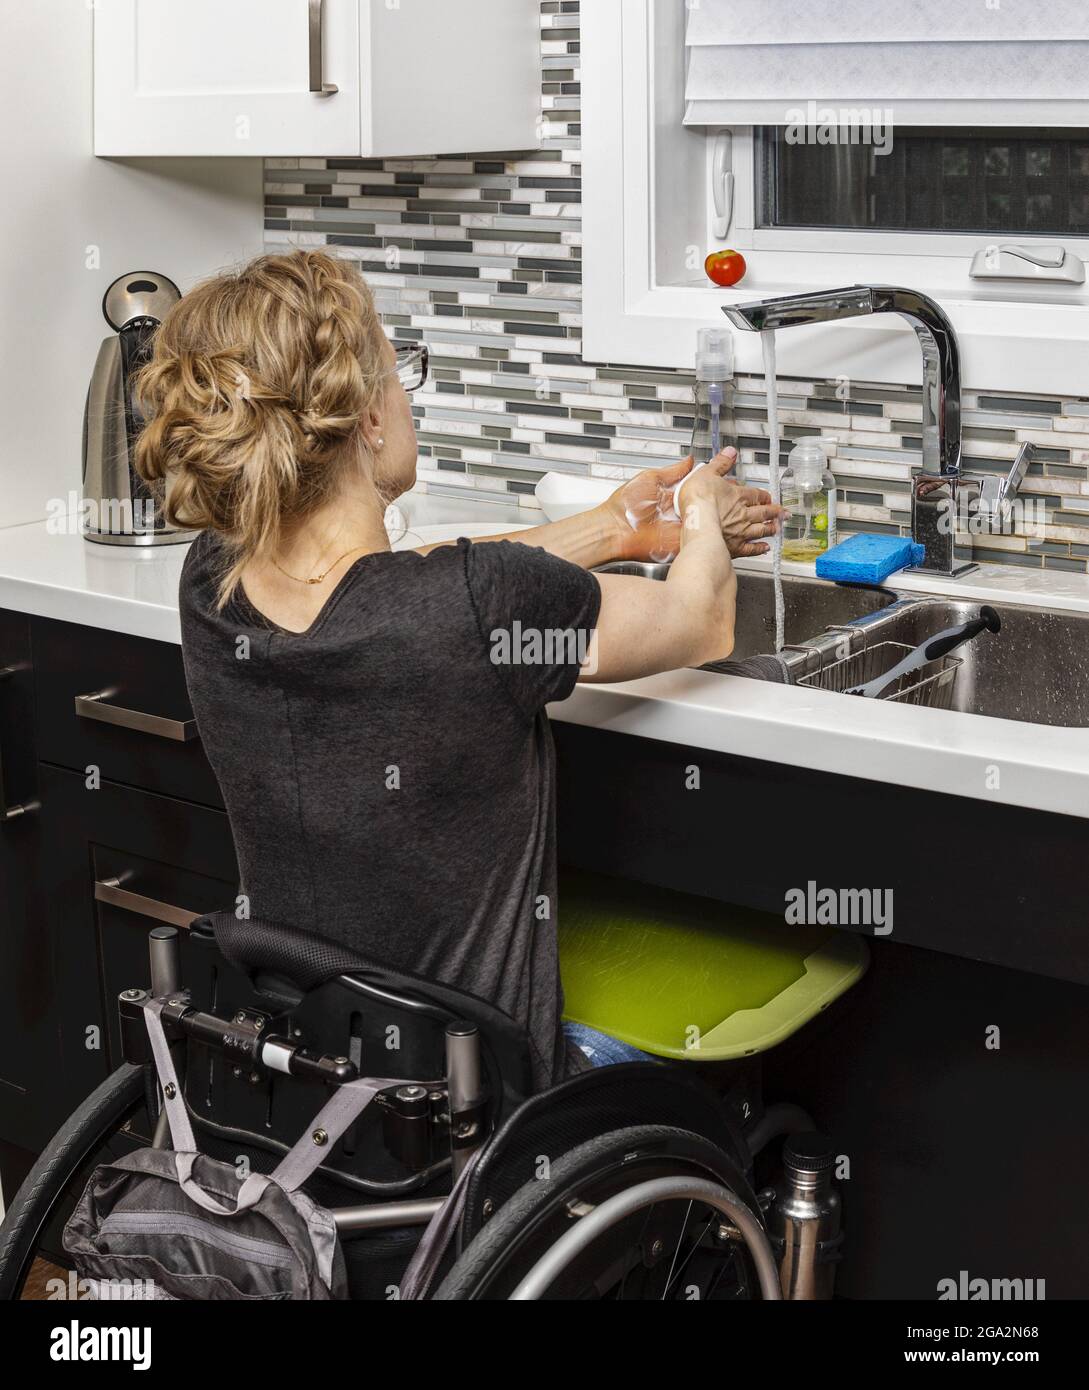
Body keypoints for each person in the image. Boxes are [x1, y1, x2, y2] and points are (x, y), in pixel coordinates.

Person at [135, 250, 783, 1091]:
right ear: (369, 416)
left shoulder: (210, 581)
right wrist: (701, 511)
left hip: (301, 1079)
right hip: (478, 1105)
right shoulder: (482, 601)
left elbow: (407, 581)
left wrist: (607, 527)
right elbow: (701, 620)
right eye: (398, 371)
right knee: (737, 1078)